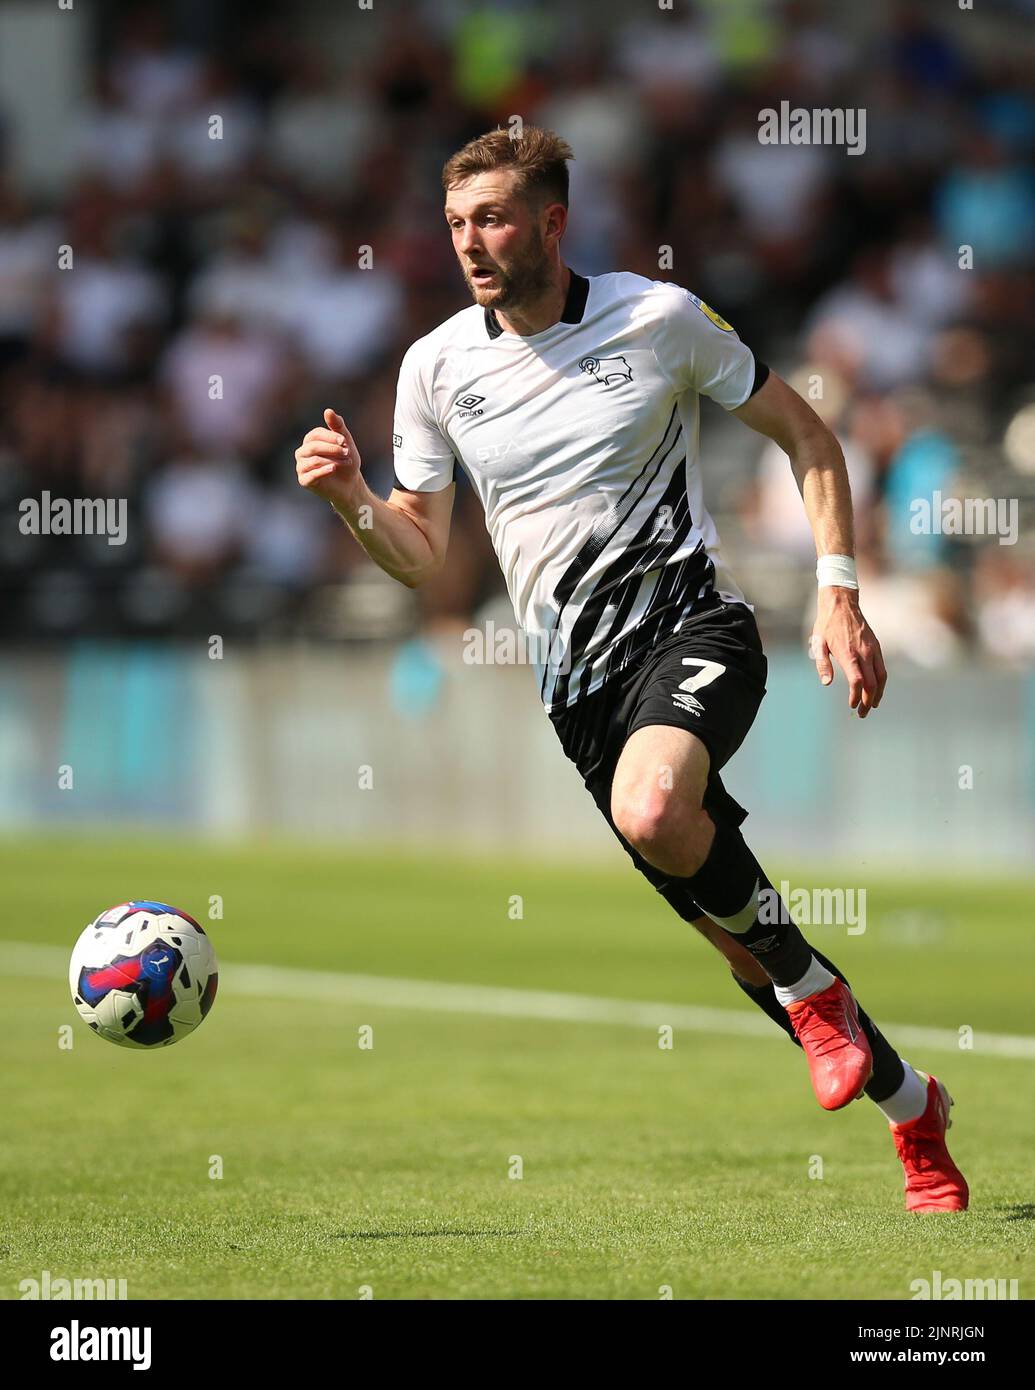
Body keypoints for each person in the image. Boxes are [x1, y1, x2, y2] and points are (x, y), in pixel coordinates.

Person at [295, 127, 967, 1212]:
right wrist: (352, 502)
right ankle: (912, 1112)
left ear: (553, 224)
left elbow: (809, 438)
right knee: (747, 950)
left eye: (496, 219)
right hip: (580, 699)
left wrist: (838, 588)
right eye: (458, 220)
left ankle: (818, 1000)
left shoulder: (659, 320)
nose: (471, 241)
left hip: (698, 629)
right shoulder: (434, 368)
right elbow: (419, 556)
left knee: (659, 813)